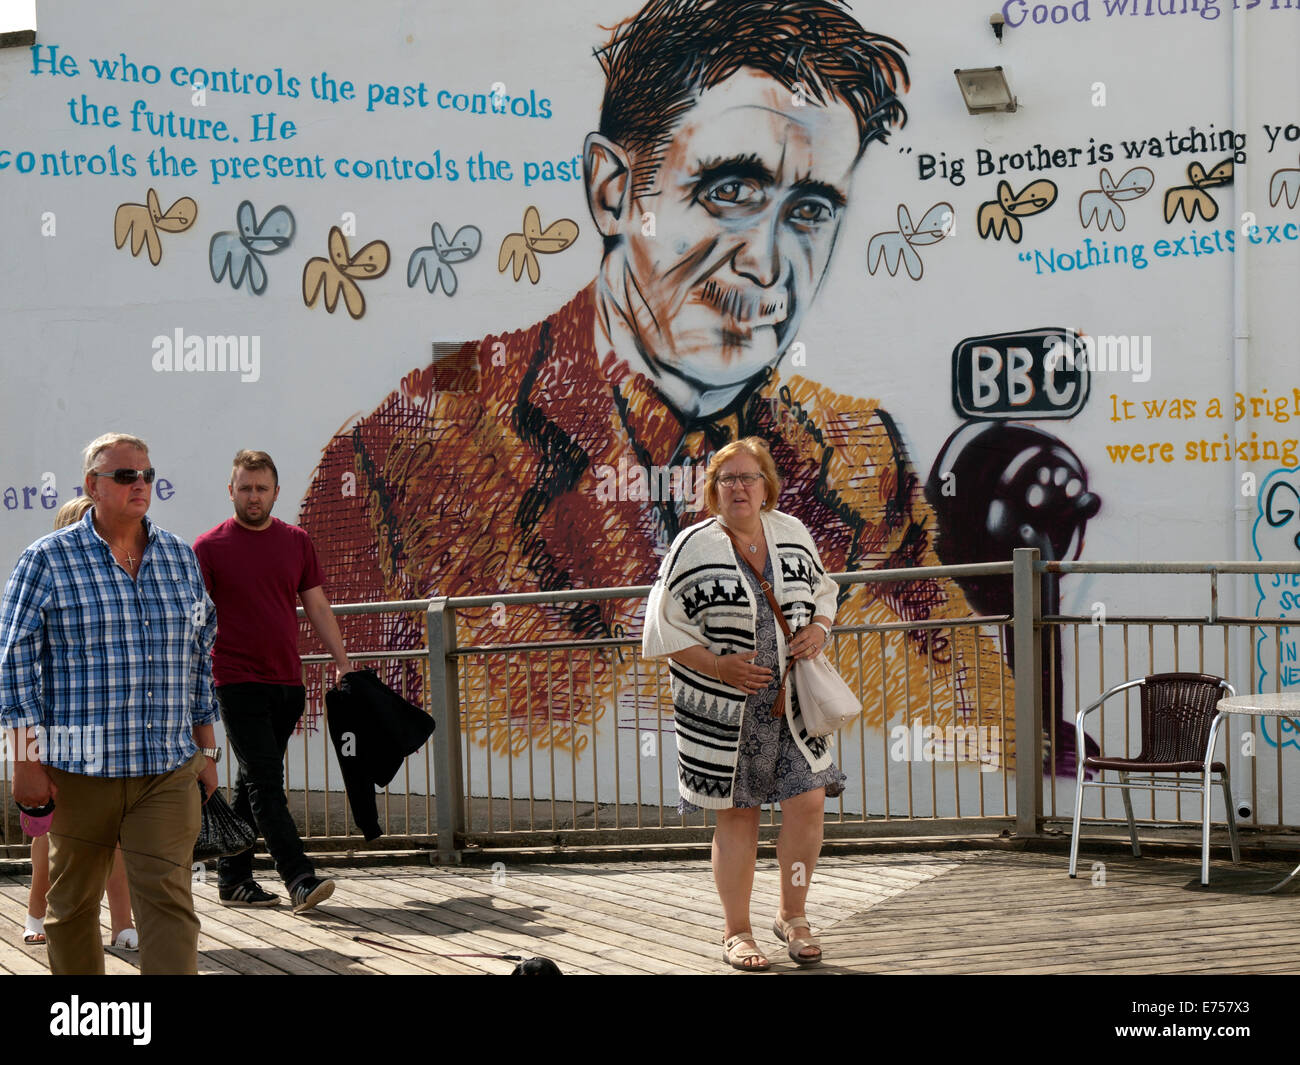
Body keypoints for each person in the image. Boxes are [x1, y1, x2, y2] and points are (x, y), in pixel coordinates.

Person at [298, 0, 1009, 762]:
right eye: (729, 193)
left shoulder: (858, 458)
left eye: (809, 210)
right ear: (612, 190)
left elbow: (984, 731)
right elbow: (321, 737)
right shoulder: (412, 451)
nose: (766, 263)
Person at [0, 433, 219, 975]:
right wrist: (24, 761)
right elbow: (12, 662)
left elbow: (198, 654)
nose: (140, 484)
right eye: (125, 476)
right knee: (71, 906)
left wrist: (207, 749)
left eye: (146, 474)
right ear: (92, 486)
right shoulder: (47, 560)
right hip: (77, 770)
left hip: (165, 771)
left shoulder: (177, 557)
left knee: (171, 904)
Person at [643, 437, 838, 970]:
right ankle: (738, 931)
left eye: (749, 477)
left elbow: (825, 590)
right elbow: (659, 628)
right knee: (738, 815)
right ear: (714, 490)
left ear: (766, 486)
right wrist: (717, 665)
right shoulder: (692, 546)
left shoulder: (792, 533)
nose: (739, 488)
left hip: (794, 705)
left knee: (808, 802)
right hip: (724, 713)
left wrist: (819, 628)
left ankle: (792, 915)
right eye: (727, 479)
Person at [193, 450, 348, 913]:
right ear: (231, 490)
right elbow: (195, 621)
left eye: (261, 488)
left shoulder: (297, 541)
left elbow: (317, 605)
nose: (253, 496)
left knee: (250, 783)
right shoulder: (209, 547)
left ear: (276, 492)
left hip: (287, 682)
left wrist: (343, 661)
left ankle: (234, 879)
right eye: (245, 488)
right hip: (236, 680)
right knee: (265, 781)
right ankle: (298, 876)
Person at [21, 496, 137, 952]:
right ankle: (36, 914)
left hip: (111, 732)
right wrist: (27, 753)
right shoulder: (45, 580)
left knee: (115, 837)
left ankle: (122, 924)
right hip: (57, 733)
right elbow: (21, 668)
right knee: (49, 835)